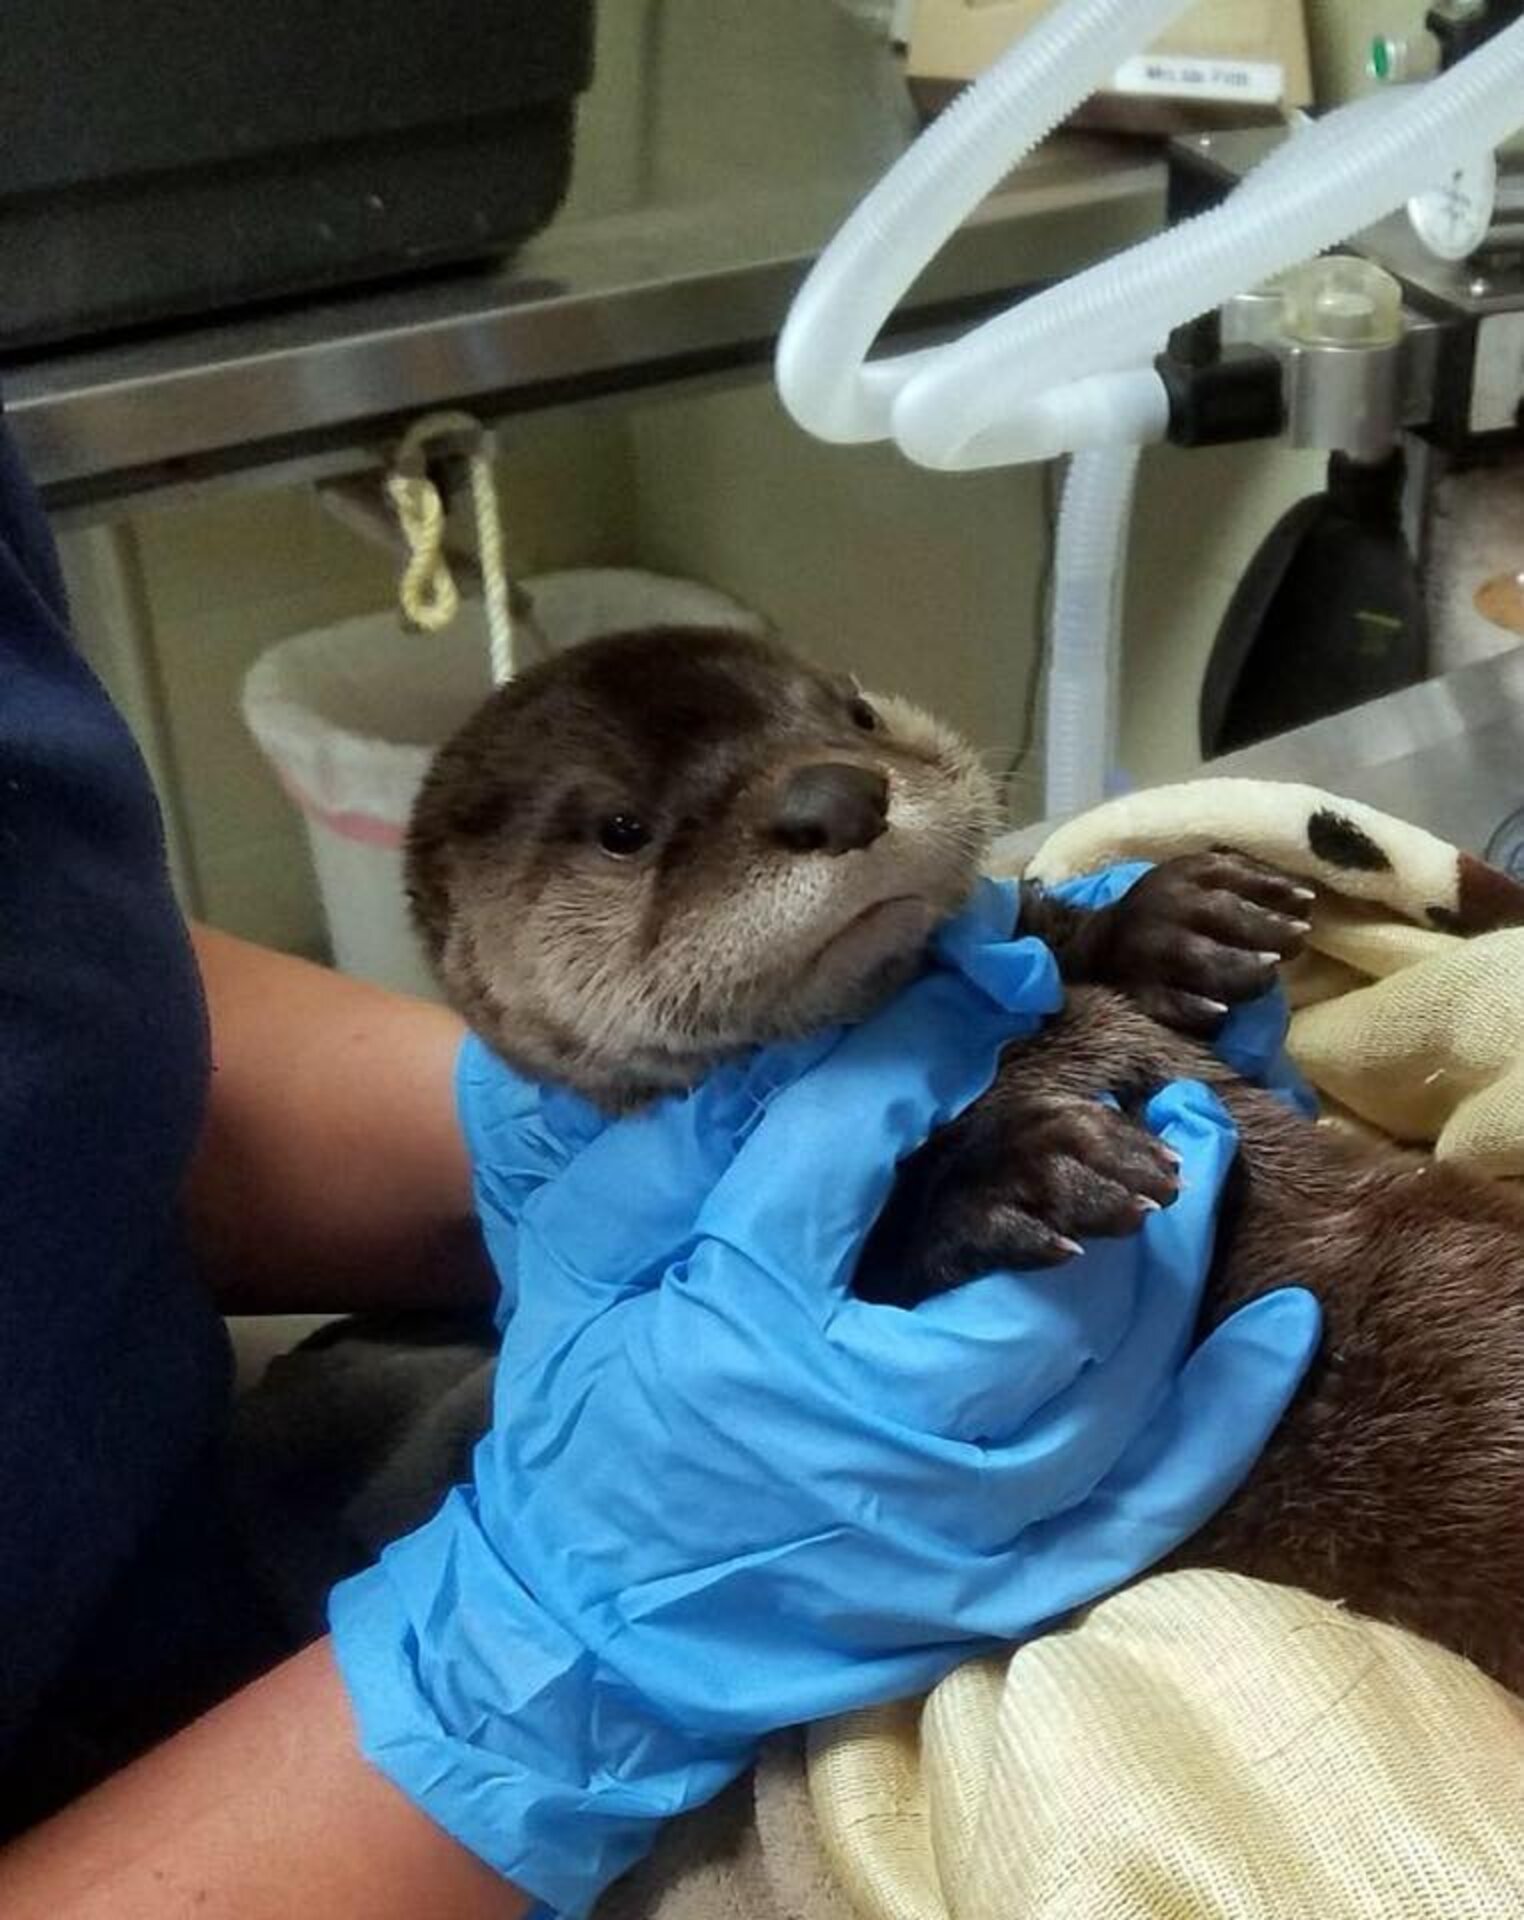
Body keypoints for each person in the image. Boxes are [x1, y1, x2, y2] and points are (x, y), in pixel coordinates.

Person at [0, 406, 1318, 1919]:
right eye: (632, 832)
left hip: (217, 1521)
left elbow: (58, 1010)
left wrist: (558, 1139)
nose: (836, 793)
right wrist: (528, 1675)